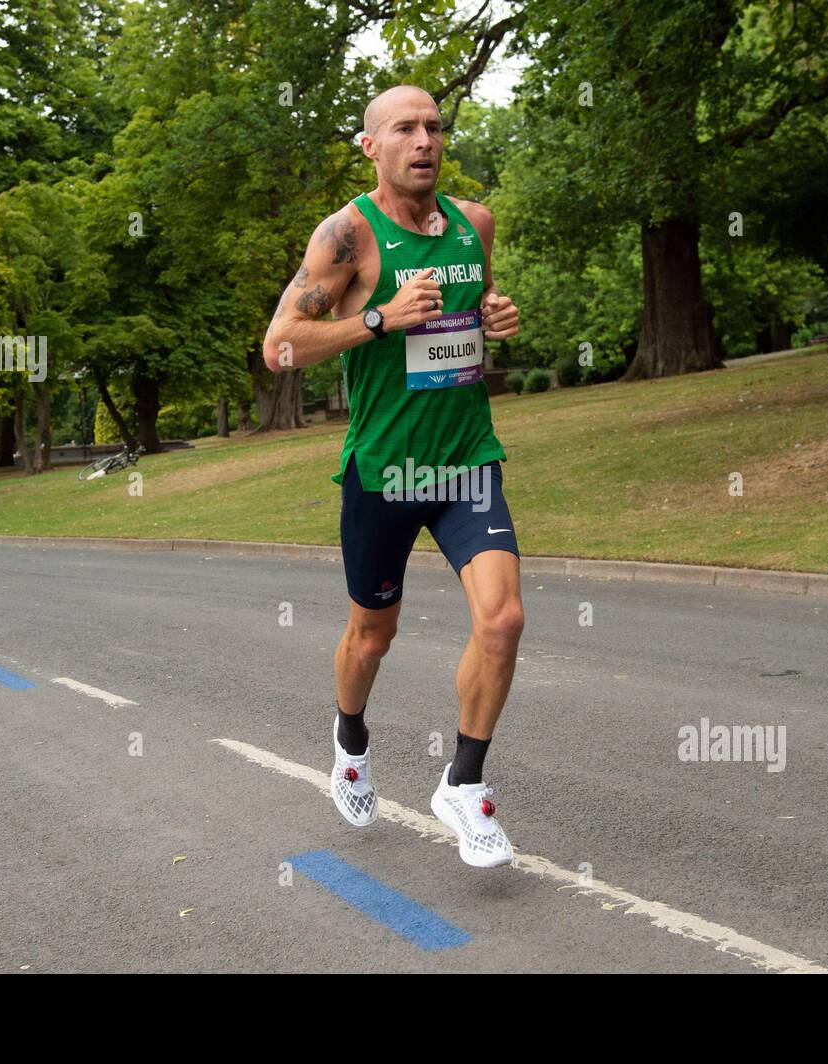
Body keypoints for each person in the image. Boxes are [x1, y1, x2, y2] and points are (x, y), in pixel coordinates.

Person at [262, 85, 524, 868]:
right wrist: (379, 317)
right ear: (371, 146)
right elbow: (281, 345)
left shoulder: (474, 224)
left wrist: (492, 321)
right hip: (383, 472)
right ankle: (349, 738)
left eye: (434, 127)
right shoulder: (345, 237)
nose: (424, 140)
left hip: (466, 460)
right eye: (404, 128)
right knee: (374, 636)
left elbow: (462, 330)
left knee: (503, 620)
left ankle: (464, 782)